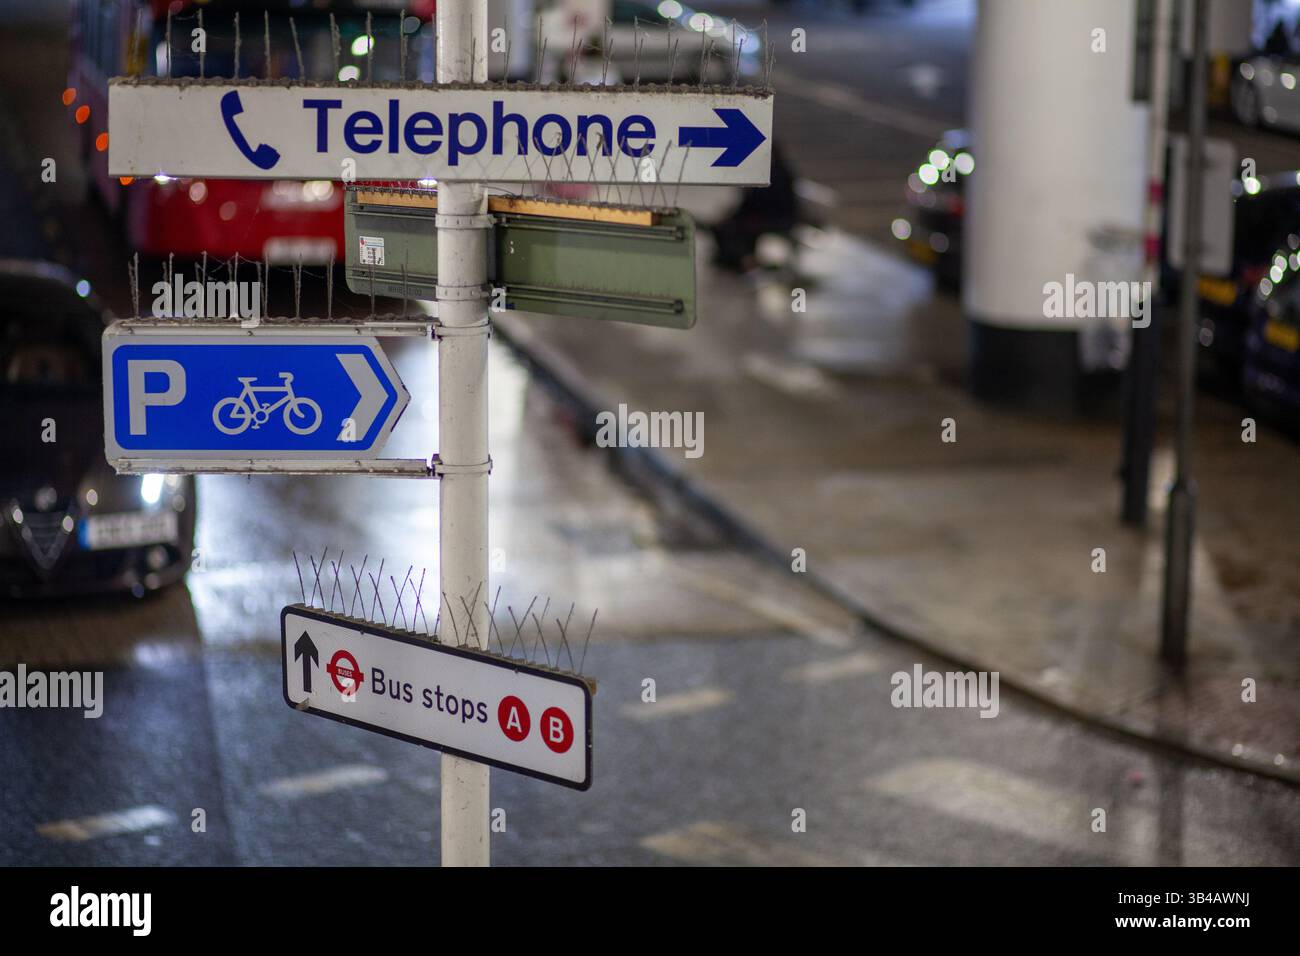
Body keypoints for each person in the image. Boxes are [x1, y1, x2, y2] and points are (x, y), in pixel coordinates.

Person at [710, 141, 802, 272]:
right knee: (730, 227)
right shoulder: (778, 172)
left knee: (733, 230)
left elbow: (758, 202)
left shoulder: (772, 176)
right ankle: (738, 261)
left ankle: (740, 262)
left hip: (773, 219)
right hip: (771, 217)